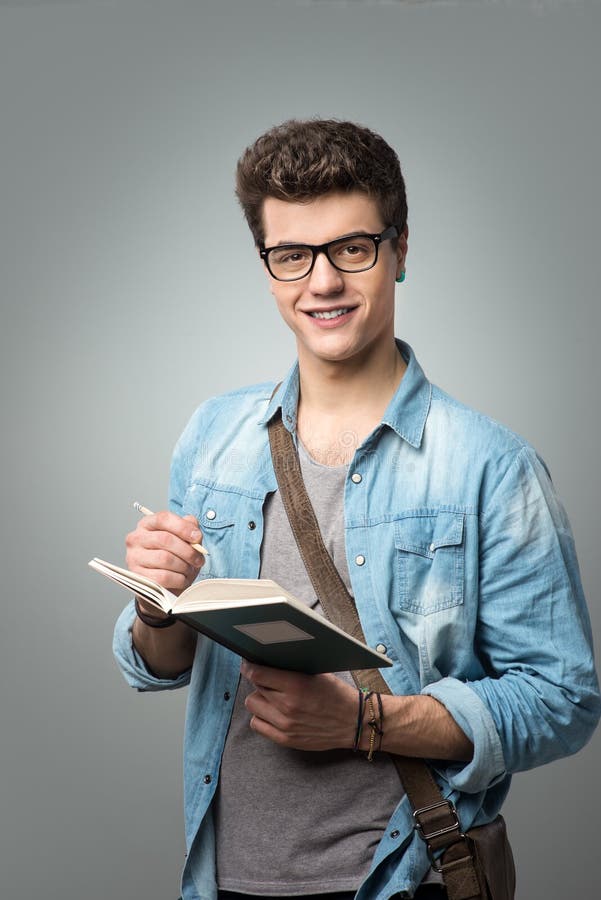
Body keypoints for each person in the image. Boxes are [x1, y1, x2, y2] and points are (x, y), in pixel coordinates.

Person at [113, 119, 600, 900]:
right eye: (291, 256)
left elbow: (561, 699)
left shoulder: (489, 465)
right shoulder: (212, 437)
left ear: (399, 249)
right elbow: (161, 665)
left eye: (351, 248)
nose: (322, 282)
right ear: (267, 268)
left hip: (402, 879)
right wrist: (158, 607)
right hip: (222, 878)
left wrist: (362, 724)